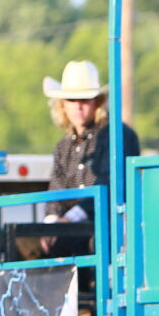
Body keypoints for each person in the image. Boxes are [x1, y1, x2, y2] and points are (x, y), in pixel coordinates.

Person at [40, 60, 141, 255]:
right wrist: (51, 224)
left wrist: (66, 221)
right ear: (62, 105)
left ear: (97, 102)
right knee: (21, 243)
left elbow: (109, 185)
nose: (78, 106)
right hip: (73, 232)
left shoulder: (117, 136)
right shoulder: (63, 146)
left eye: (84, 99)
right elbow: (56, 190)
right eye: (71, 100)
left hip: (109, 231)